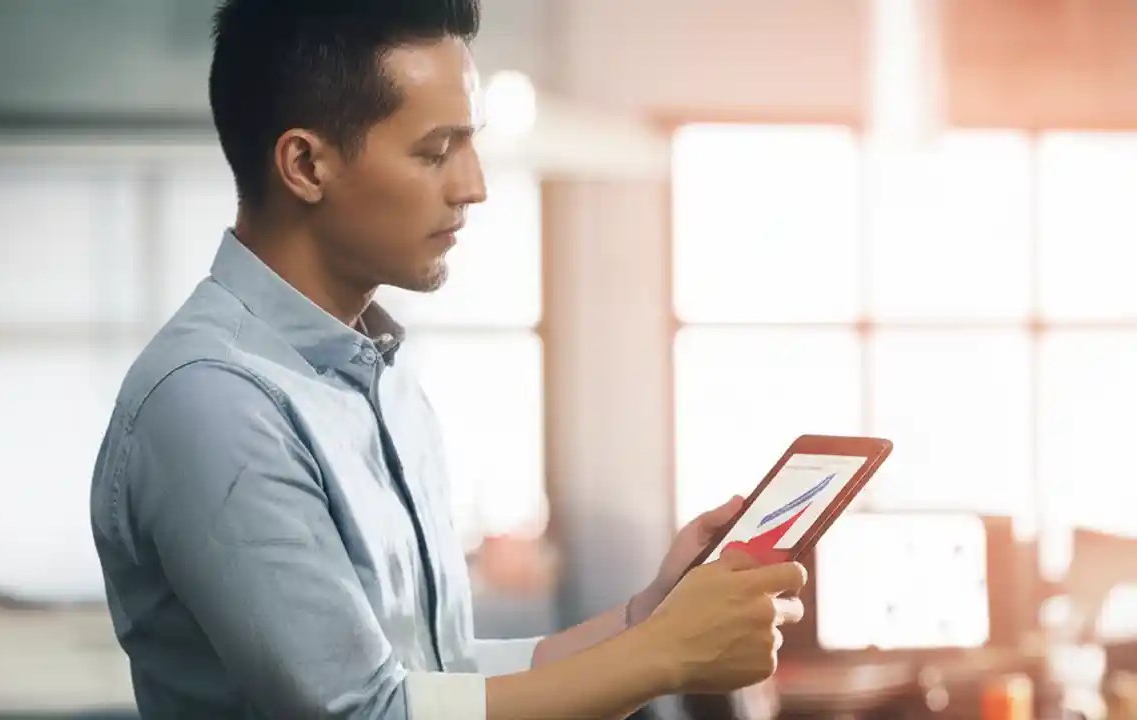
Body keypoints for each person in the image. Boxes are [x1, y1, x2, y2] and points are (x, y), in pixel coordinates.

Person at [88, 1, 807, 717]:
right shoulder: (213, 401)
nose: (474, 186)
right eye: (436, 151)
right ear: (306, 164)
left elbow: (441, 681)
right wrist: (664, 655)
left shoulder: (381, 379)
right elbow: (372, 714)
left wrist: (647, 620)